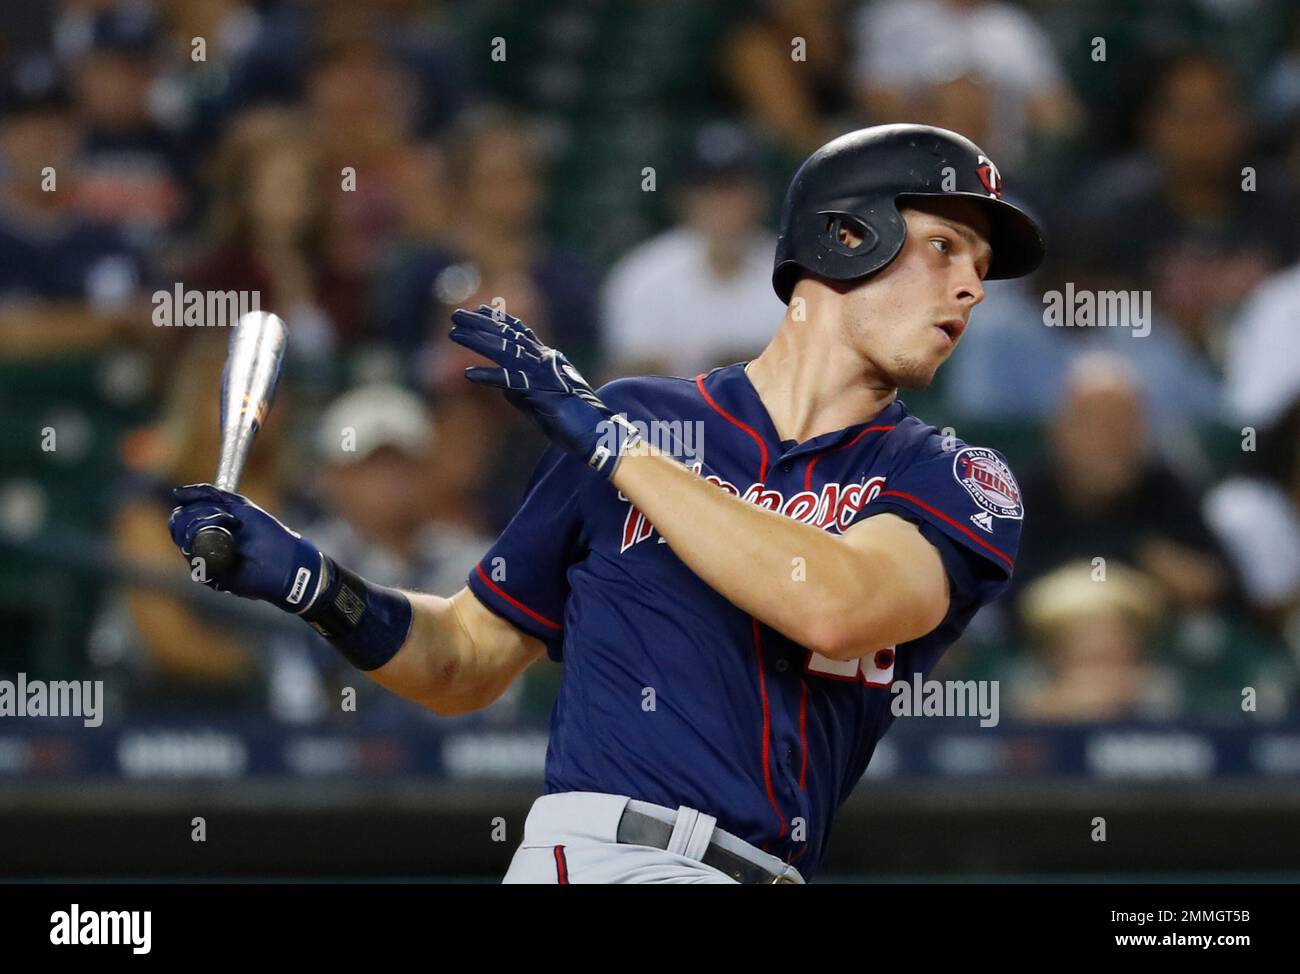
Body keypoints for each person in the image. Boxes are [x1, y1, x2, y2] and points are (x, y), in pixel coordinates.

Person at [167, 124, 1043, 883]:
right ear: (848, 236)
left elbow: (835, 604)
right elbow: (465, 658)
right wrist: (318, 587)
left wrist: (615, 448)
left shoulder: (952, 475)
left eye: (981, 266)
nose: (971, 286)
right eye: (945, 247)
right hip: (603, 857)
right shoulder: (640, 422)